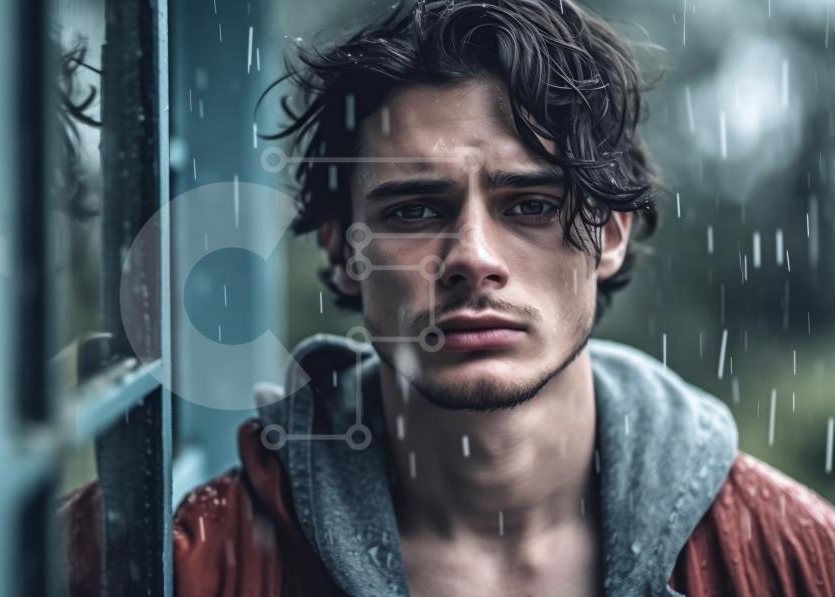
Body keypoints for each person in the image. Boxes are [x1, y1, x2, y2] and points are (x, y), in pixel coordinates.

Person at [61, 1, 835, 595]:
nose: (472, 258)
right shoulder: (174, 557)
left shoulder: (792, 555)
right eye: (412, 209)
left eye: (529, 204)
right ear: (339, 248)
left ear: (609, 237)